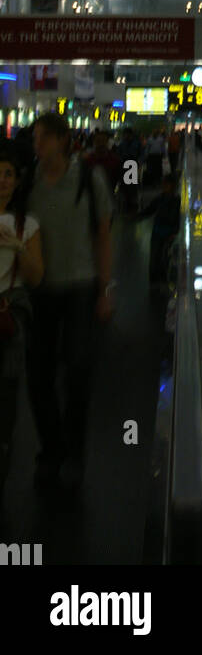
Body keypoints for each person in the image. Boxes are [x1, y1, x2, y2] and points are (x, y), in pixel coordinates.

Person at [26, 113, 114, 491]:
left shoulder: (88, 179)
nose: (37, 145)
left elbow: (103, 236)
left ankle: (74, 453)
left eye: (43, 138)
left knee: (77, 373)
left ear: (63, 140)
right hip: (40, 287)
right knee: (39, 377)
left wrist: (105, 290)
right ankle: (52, 449)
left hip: (80, 287)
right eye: (35, 138)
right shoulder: (28, 181)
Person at [0, 146, 43, 504]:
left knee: (6, 392)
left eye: (8, 174)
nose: (1, 181)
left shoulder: (25, 225)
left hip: (8, 311)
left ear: (17, 181)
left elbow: (36, 276)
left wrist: (18, 247)